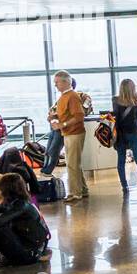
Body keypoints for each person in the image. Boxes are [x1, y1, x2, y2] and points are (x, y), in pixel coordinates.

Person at [51, 70, 88, 202]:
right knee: (74, 163)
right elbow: (66, 113)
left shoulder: (71, 96)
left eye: (57, 82)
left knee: (72, 164)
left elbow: (79, 116)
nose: (55, 85)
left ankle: (75, 193)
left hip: (74, 133)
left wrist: (63, 124)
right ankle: (82, 190)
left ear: (66, 82)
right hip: (69, 133)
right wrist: (54, 116)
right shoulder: (64, 97)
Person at [113, 78, 137, 195]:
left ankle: (124, 186)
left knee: (121, 161)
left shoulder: (115, 100)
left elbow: (115, 118)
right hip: (134, 132)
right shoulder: (136, 100)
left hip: (121, 134)